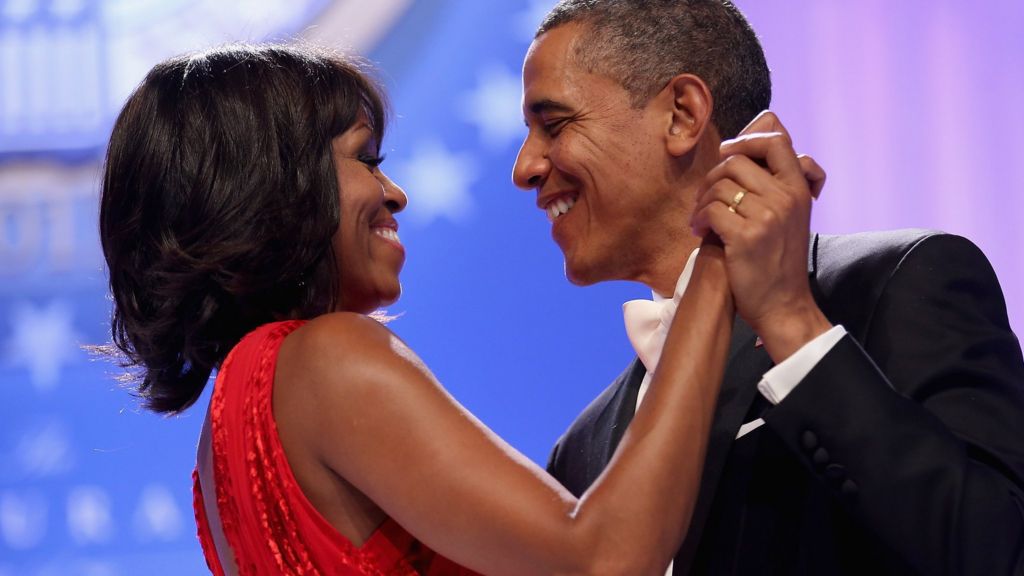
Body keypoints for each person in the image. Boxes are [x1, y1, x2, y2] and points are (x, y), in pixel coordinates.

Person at [97, 42, 759, 575]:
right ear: (273, 186)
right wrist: (716, 258)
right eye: (365, 159)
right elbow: (604, 560)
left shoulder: (229, 429)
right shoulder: (323, 359)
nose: (395, 193)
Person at [512, 1, 1024, 575]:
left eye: (554, 125)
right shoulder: (581, 449)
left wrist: (791, 323)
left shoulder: (897, 283)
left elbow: (997, 551)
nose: (525, 166)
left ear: (682, 114)